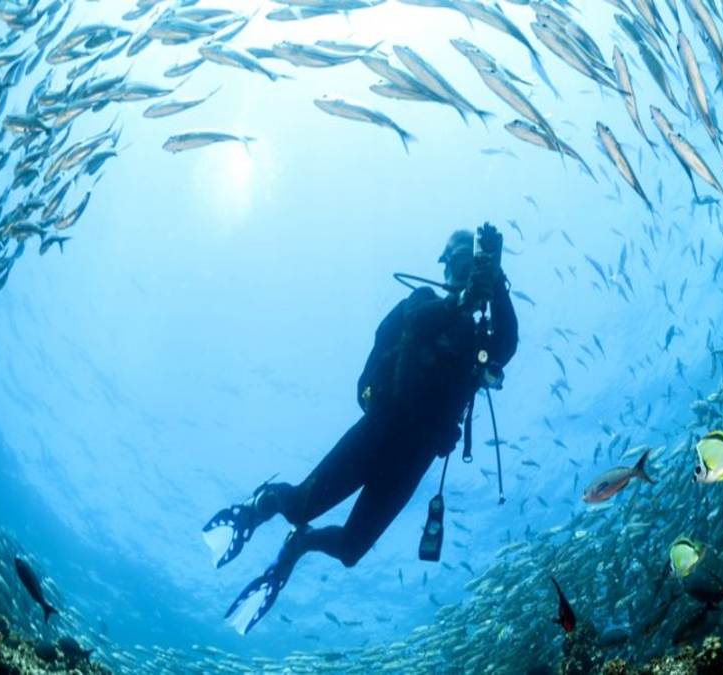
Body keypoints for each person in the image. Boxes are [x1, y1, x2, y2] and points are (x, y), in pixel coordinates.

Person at [203, 224, 518, 634]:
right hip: (378, 431)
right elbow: (419, 323)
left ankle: (300, 544)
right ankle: (258, 505)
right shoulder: (422, 302)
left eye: (468, 264)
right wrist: (465, 297)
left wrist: (496, 284)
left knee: (351, 550)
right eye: (455, 264)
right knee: (299, 507)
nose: (461, 272)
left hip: (415, 458)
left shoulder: (477, 334)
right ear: (444, 270)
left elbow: (507, 346)